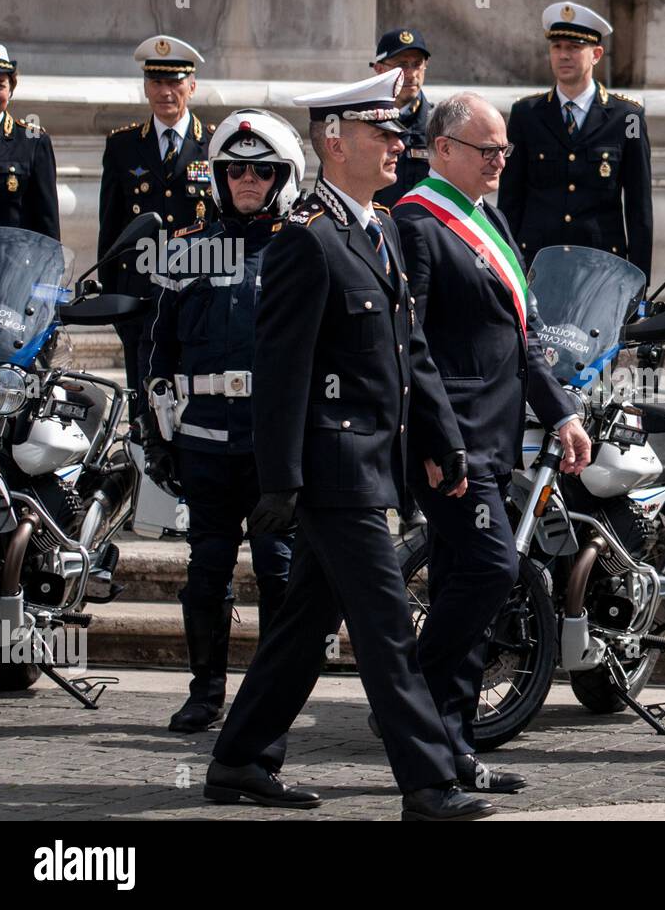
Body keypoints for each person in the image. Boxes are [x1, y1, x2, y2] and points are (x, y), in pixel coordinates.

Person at [203, 70, 493, 821]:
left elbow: (410, 350)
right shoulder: (308, 239)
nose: (398, 143)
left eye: (399, 132)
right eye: (381, 133)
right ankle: (428, 782)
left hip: (375, 464)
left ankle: (239, 758)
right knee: (388, 626)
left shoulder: (380, 227)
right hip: (334, 473)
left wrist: (443, 437)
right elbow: (281, 368)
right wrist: (279, 479)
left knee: (302, 629)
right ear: (335, 142)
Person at [394, 92, 591, 790]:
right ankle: (407, 700)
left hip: (495, 440)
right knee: (493, 570)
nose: (500, 161)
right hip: (450, 445)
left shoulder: (490, 218)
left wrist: (562, 414)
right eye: (488, 150)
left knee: (463, 583)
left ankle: (450, 748)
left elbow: (524, 339)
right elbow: (408, 343)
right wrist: (437, 437)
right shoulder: (417, 223)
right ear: (442, 149)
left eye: (504, 149)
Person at [139, 109, 303, 734]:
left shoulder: (301, 248)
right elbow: (159, 352)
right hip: (203, 440)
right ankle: (206, 693)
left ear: (283, 176)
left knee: (278, 572)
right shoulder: (186, 250)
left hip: (271, 449)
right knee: (205, 572)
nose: (247, 180)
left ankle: (272, 700)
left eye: (262, 170)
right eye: (235, 169)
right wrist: (155, 433)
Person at [97, 35, 214, 407]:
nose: (166, 92)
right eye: (157, 82)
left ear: (192, 86)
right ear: (146, 87)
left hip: (196, 295)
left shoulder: (214, 145)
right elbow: (111, 230)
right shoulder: (123, 146)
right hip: (139, 297)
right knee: (140, 401)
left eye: (175, 82)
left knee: (191, 400)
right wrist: (116, 296)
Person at [497, 1, 652, 274]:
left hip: (600, 265)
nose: (563, 55)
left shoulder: (628, 116)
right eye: (557, 47)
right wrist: (507, 265)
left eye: (574, 47)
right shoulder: (526, 114)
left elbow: (639, 206)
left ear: (596, 54)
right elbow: (510, 199)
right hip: (537, 263)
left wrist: (639, 282)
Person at [0, 42, 59, 238]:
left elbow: (47, 223)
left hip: (11, 265)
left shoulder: (32, 141)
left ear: (11, 89)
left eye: (0, 85)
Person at [371, 26, 434, 208]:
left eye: (417, 64)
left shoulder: (439, 125)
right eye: (401, 65)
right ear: (379, 69)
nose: (412, 74)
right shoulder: (361, 123)